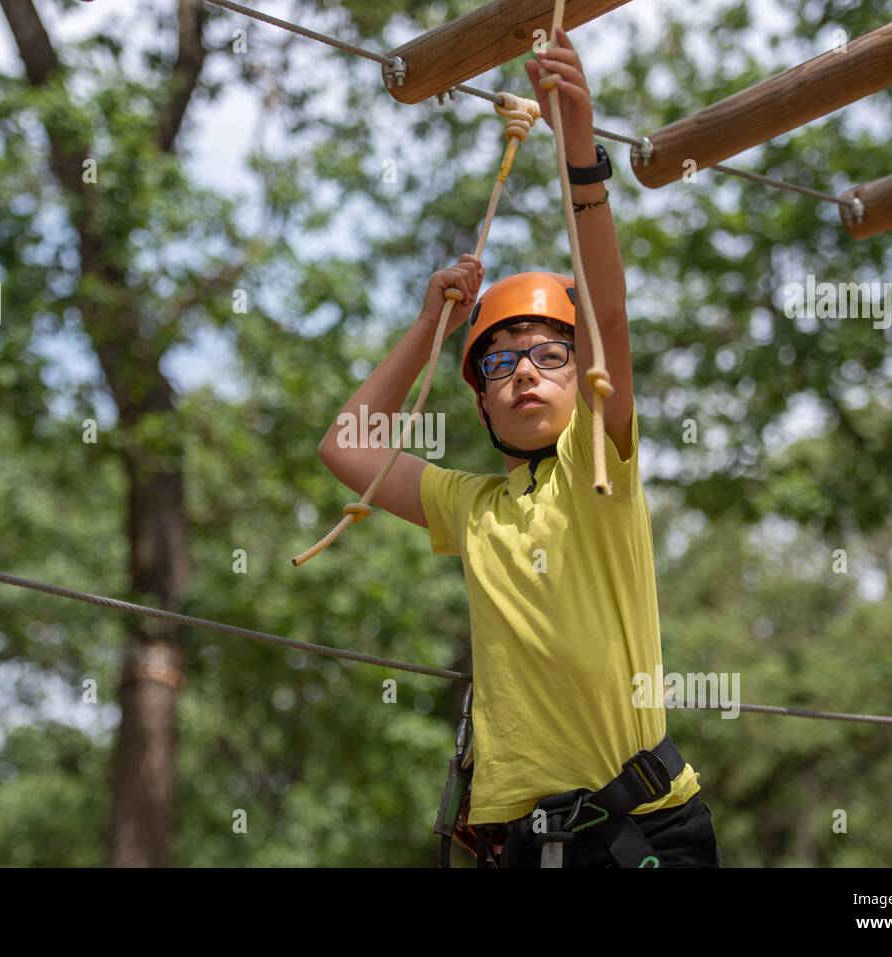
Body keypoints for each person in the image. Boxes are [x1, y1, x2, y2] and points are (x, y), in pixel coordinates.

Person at [316, 28, 719, 868]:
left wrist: (581, 149)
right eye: (500, 363)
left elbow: (607, 318)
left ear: (584, 380)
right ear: (482, 400)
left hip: (637, 834)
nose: (525, 374)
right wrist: (432, 326)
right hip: (522, 847)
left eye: (548, 356)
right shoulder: (473, 508)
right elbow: (346, 445)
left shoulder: (595, 468)